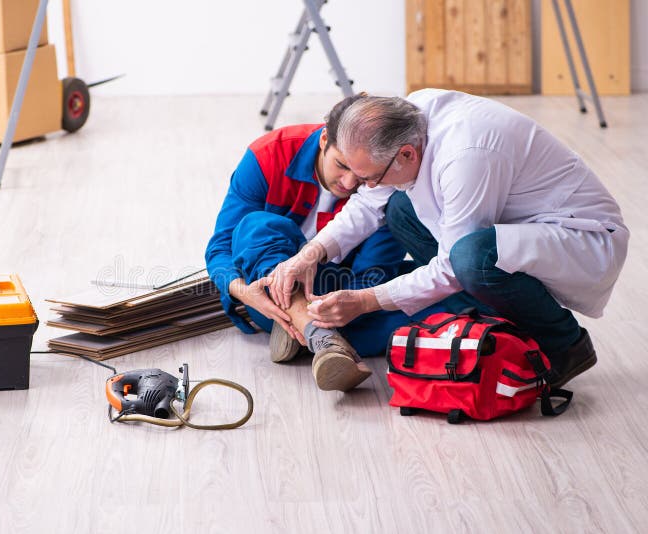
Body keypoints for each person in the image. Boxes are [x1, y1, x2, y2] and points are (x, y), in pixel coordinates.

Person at [269, 89, 629, 388]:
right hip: (517, 230)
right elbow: (368, 207)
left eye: (370, 177)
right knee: (398, 210)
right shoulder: (407, 121)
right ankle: (501, 318)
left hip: (581, 235)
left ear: (407, 153)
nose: (363, 187)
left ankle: (565, 344)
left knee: (473, 259)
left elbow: (453, 265)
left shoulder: (467, 155)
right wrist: (310, 254)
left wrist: (366, 300)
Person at [205, 94, 442, 392]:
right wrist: (243, 292)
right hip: (270, 300)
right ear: (324, 138)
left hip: (344, 298)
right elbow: (220, 247)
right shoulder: (268, 155)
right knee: (256, 226)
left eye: (361, 175)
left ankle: (309, 334)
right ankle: (322, 337)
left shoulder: (381, 181)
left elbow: (374, 276)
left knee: (434, 292)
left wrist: (342, 307)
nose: (349, 183)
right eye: (341, 165)